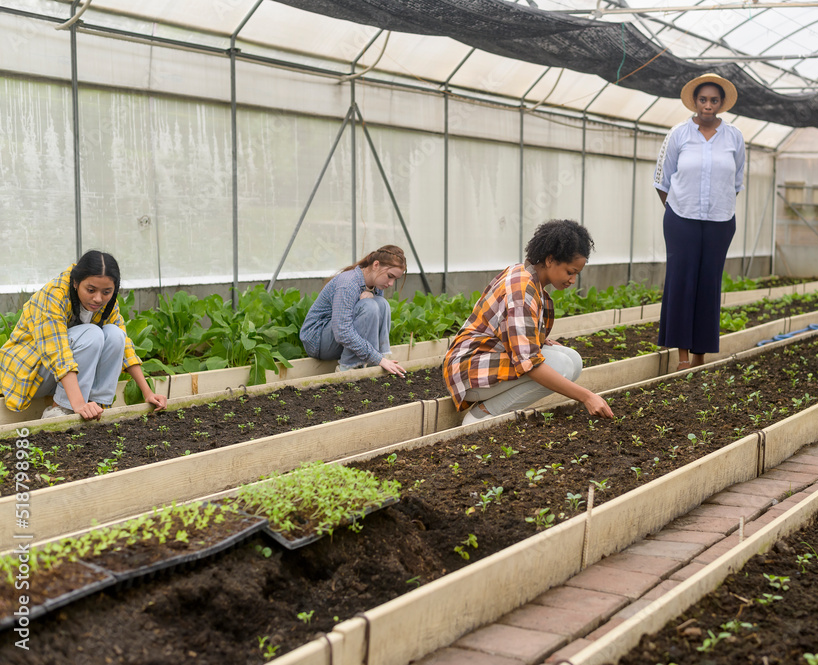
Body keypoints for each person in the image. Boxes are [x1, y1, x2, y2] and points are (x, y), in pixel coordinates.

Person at [444, 219, 614, 426]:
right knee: (561, 366)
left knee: (572, 359)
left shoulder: (527, 276)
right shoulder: (521, 290)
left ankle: (494, 404)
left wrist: (539, 340)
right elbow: (529, 364)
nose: (572, 280)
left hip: (485, 360)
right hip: (468, 371)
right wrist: (587, 396)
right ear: (550, 260)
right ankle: (482, 415)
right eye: (570, 272)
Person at [0, 250, 168, 420]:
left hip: (64, 381)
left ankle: (98, 406)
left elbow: (124, 347)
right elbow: (58, 354)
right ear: (75, 283)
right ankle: (59, 411)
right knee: (92, 334)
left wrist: (148, 393)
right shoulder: (55, 295)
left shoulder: (108, 304)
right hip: (32, 376)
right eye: (91, 290)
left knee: (116, 335)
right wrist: (78, 403)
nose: (98, 298)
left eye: (106, 292)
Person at [653, 73, 746, 370]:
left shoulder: (734, 136)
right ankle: (682, 358)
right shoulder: (678, 134)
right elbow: (662, 180)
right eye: (703, 100)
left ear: (721, 104)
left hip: (720, 221)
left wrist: (719, 207)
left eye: (714, 100)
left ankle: (700, 356)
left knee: (709, 284)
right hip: (681, 219)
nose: (708, 105)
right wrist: (677, 210)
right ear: (695, 102)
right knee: (682, 282)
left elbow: (737, 181)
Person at [300, 245, 407, 376]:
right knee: (369, 306)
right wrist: (377, 358)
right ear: (376, 265)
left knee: (382, 304)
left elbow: (371, 322)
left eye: (395, 279)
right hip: (319, 343)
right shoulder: (348, 284)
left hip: (338, 342)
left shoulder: (377, 285)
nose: (390, 283)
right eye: (390, 276)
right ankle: (347, 369)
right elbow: (342, 332)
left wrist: (379, 359)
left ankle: (376, 364)